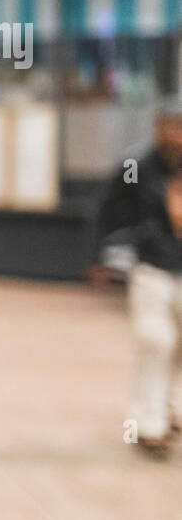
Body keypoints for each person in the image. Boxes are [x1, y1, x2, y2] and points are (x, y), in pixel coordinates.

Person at [88, 100, 182, 458]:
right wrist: (98, 257)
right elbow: (107, 209)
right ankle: (149, 423)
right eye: (169, 126)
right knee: (156, 341)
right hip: (152, 266)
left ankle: (169, 408)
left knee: (178, 347)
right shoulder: (137, 165)